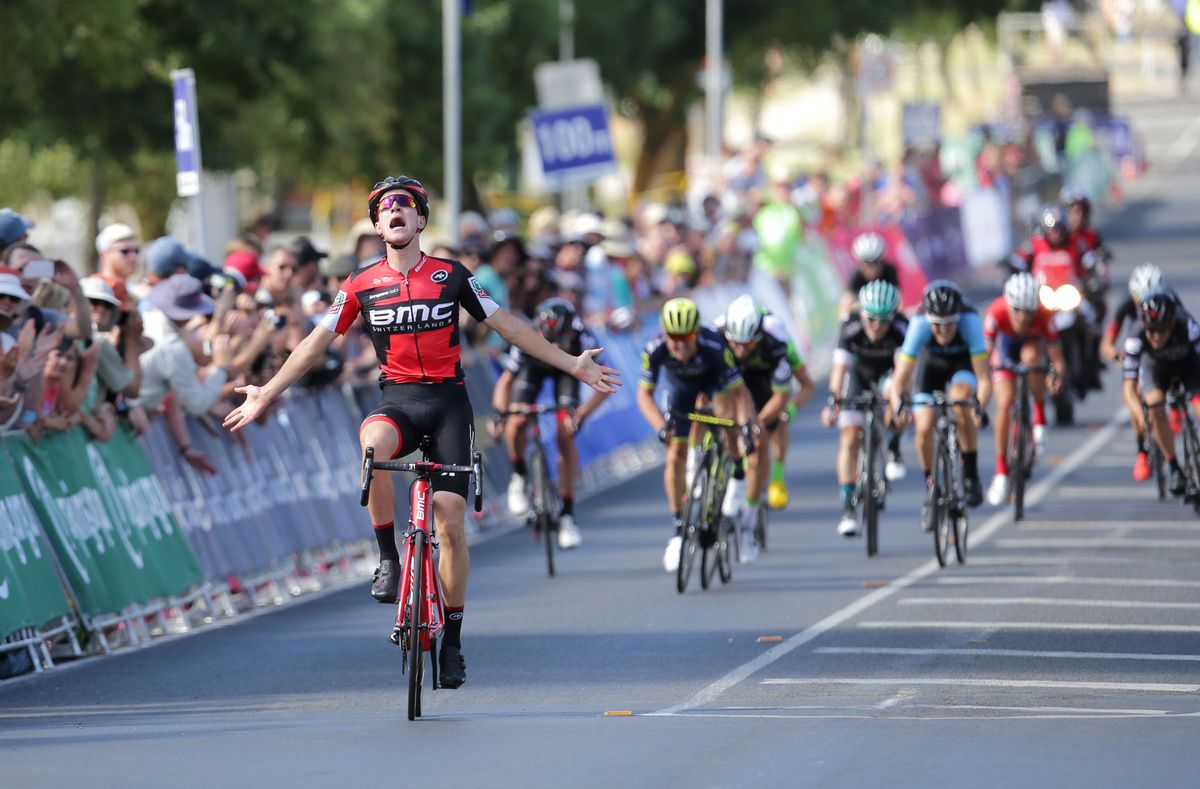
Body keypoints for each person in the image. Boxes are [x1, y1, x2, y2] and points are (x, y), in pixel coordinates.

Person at [223, 176, 618, 690]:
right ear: (376, 224)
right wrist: (268, 392)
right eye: (385, 206)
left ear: (420, 220)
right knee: (371, 448)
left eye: (405, 204)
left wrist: (571, 364)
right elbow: (315, 344)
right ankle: (388, 557)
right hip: (400, 402)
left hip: (450, 404)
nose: (394, 211)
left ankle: (452, 640)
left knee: (451, 523)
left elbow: (511, 328)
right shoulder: (360, 285)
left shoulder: (452, 276)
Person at [635, 297, 756, 568]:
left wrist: (746, 427)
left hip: (714, 382)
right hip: (679, 389)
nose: (679, 344)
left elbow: (741, 394)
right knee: (674, 453)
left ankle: (737, 474)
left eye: (686, 336)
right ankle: (678, 531)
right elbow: (644, 395)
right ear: (664, 333)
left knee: (727, 418)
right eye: (673, 337)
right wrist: (660, 426)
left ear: (697, 333)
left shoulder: (714, 345)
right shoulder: (655, 348)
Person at [492, 298, 611, 550]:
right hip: (534, 368)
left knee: (565, 433)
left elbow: (604, 385)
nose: (555, 345)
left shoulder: (583, 338)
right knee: (517, 418)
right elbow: (505, 383)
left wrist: (581, 414)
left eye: (560, 339)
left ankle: (567, 516)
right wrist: (500, 415)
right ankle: (519, 476)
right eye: (550, 339)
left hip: (568, 372)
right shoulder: (529, 337)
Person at [891, 281, 991, 521]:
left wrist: (979, 406)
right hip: (931, 367)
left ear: (958, 318)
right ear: (929, 320)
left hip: (962, 365)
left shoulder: (970, 321)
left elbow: (985, 379)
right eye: (938, 325)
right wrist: (899, 406)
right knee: (924, 427)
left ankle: (971, 476)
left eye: (949, 324)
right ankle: (932, 488)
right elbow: (900, 379)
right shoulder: (918, 324)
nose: (944, 331)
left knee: (960, 401)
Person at [716, 294, 814, 530]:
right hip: (736, 381)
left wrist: (784, 411)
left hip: (766, 381)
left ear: (757, 338)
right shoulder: (717, 333)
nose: (740, 349)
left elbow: (805, 386)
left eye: (747, 344)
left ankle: (776, 479)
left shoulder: (777, 341)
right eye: (735, 343)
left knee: (773, 424)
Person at [821, 281, 909, 536]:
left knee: (895, 393)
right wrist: (833, 402)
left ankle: (893, 445)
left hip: (888, 375)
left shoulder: (902, 329)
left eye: (884, 320)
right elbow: (839, 370)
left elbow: (904, 372)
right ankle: (848, 508)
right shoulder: (850, 328)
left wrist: (902, 404)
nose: (877, 326)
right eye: (871, 319)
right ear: (862, 314)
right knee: (849, 437)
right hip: (858, 377)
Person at [983, 272, 1066, 505]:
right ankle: (1001, 472)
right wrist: (984, 382)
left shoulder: (1044, 316)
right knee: (1004, 402)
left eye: (1028, 311)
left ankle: (1039, 416)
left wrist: (1056, 376)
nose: (1022, 317)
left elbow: (1057, 360)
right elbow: (985, 358)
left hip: (1032, 347)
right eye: (1017, 310)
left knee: (1031, 359)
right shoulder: (996, 312)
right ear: (1008, 305)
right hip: (1006, 348)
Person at [1102, 264, 1190, 480]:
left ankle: (1178, 410)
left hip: (1168, 350)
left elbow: (1187, 332)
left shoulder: (1172, 302)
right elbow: (1107, 343)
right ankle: (1142, 450)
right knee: (1138, 392)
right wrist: (1117, 355)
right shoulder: (1125, 308)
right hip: (1139, 351)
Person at [1123, 293, 1200, 496]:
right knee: (1154, 407)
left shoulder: (1187, 326)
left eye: (1163, 330)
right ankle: (1174, 467)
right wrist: (1140, 413)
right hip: (1156, 369)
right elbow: (1129, 388)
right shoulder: (1135, 336)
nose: (1157, 336)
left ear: (1173, 323)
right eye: (1152, 331)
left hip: (1189, 366)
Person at [839, 232, 900, 320]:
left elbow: (899, 302)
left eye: (877, 262)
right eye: (868, 264)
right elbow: (845, 307)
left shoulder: (889, 271)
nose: (873, 268)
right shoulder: (856, 276)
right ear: (860, 264)